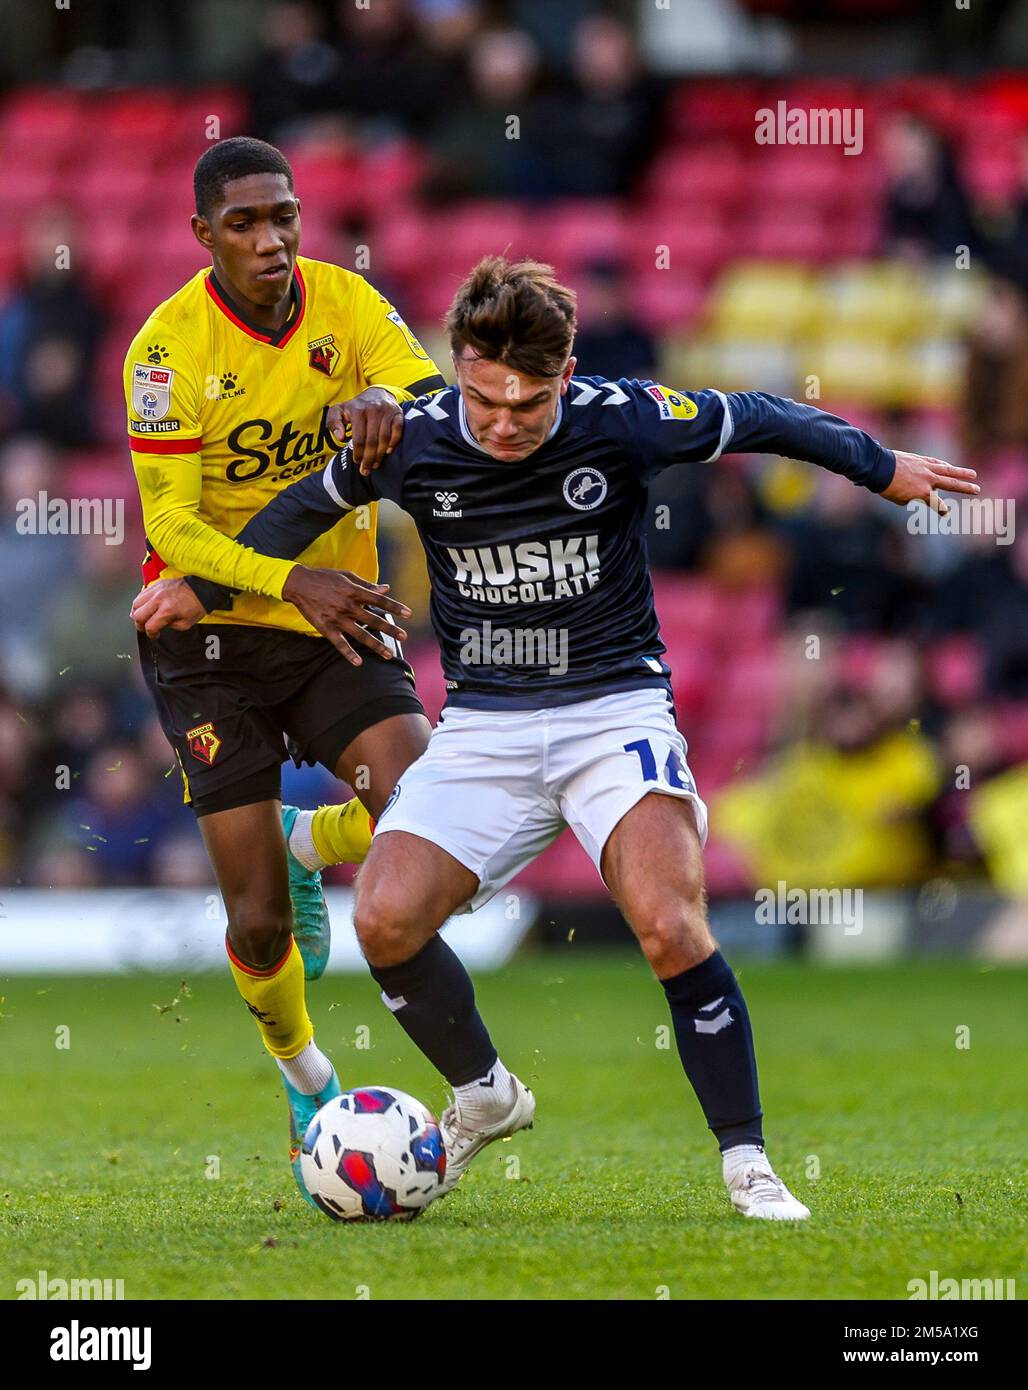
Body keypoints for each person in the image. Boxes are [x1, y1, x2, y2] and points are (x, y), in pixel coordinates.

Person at [154, 257, 979, 1219]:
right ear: (456, 365)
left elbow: (760, 414)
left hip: (611, 709)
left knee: (669, 925)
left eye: (529, 404)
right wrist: (200, 589)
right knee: (383, 921)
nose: (503, 422)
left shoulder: (619, 417)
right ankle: (487, 1095)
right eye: (485, 398)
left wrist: (882, 469)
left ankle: (747, 1161)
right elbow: (297, 514)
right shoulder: (413, 440)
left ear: (567, 372)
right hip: (486, 725)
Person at [123, 136, 445, 1205]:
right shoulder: (165, 353)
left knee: (425, 804)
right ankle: (308, 1078)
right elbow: (167, 520)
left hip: (328, 618)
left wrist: (386, 409)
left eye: (285, 217)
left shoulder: (347, 306)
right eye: (246, 223)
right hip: (207, 637)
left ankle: (312, 840)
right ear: (203, 235)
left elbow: (428, 398)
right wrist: (282, 576)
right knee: (258, 922)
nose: (271, 240)